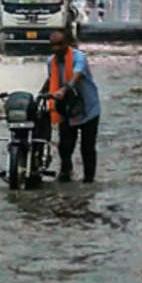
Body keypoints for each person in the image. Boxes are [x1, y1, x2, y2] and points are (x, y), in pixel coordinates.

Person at [40, 30, 100, 183]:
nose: (56, 49)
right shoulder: (51, 61)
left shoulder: (79, 57)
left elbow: (76, 75)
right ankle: (66, 172)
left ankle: (89, 179)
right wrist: (40, 95)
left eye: (59, 45)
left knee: (87, 147)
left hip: (88, 109)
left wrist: (64, 89)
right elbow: (51, 79)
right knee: (65, 146)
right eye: (52, 45)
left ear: (67, 43)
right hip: (66, 109)